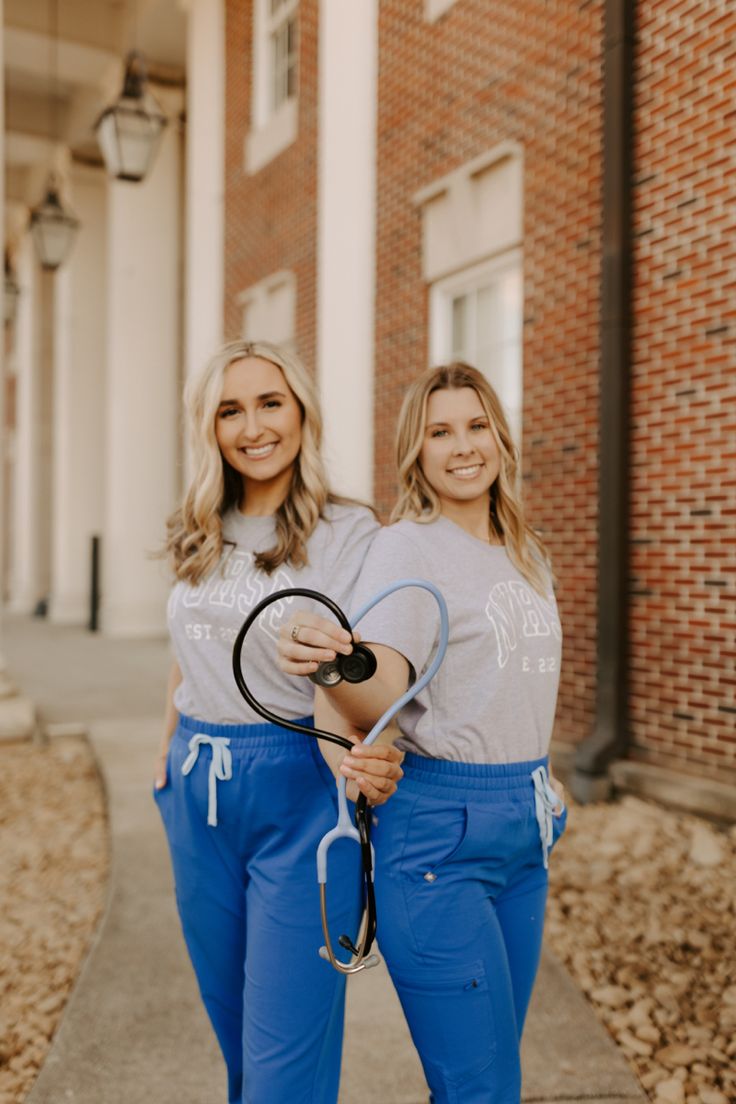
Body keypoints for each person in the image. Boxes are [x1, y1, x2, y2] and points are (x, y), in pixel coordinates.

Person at [278, 361, 566, 1103]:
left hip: (524, 838)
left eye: (476, 426)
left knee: (496, 1071)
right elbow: (389, 676)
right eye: (440, 432)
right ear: (417, 451)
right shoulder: (408, 547)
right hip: (440, 842)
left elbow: (511, 681)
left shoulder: (525, 552)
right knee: (481, 1089)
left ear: (500, 437)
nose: (462, 445)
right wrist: (336, 666)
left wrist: (543, 773)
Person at [153, 339, 403, 1104]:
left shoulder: (350, 532)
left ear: (302, 413)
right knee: (236, 1041)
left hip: (303, 791)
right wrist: (165, 747)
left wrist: (358, 727)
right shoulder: (199, 527)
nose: (253, 426)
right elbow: (191, 645)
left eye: (271, 404)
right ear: (210, 427)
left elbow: (372, 672)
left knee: (282, 1065)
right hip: (198, 793)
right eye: (231, 409)